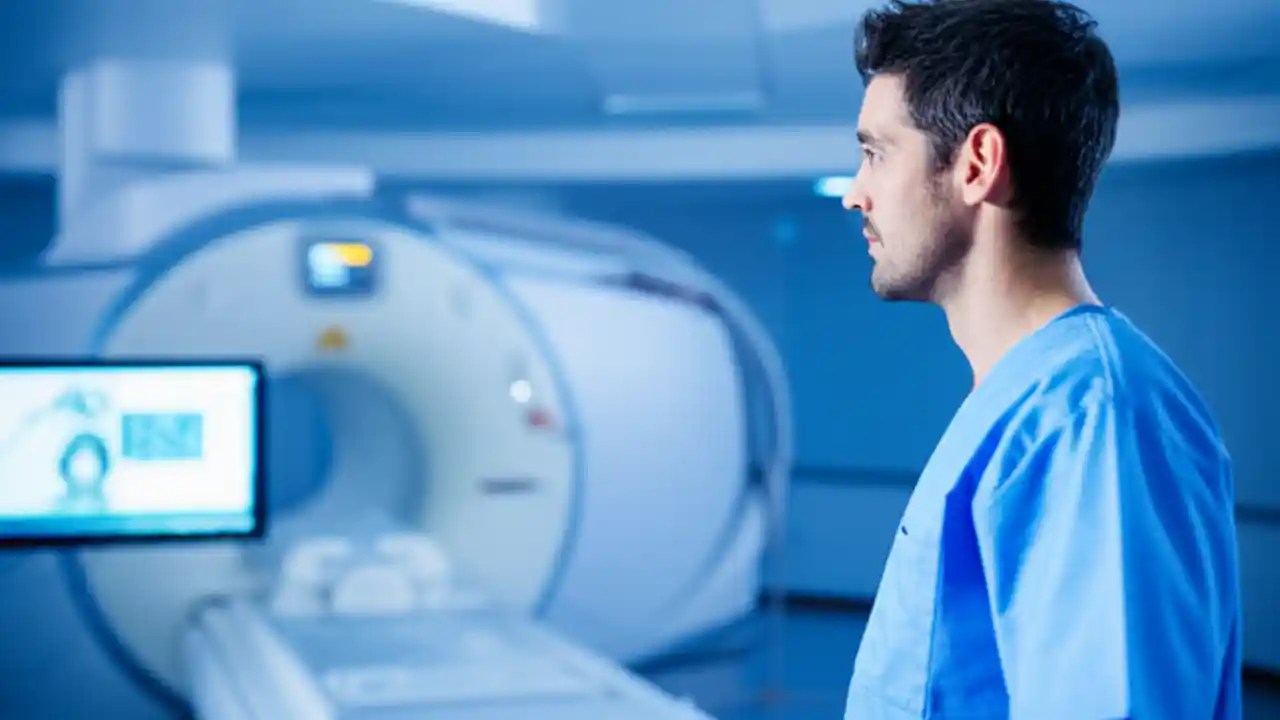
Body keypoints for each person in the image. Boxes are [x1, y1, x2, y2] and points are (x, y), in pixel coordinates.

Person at [839, 1, 1242, 718]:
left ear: (977, 165)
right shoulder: (1032, 398)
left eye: (875, 153)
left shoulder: (1093, 414)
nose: (853, 193)